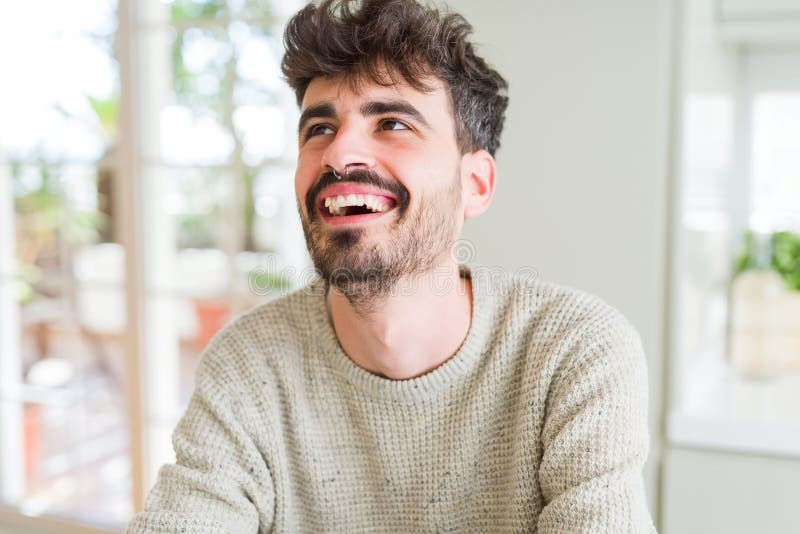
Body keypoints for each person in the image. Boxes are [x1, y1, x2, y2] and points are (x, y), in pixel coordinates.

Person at [127, 0, 657, 532]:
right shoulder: (248, 366)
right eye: (319, 129)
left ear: (475, 184)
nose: (339, 155)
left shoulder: (575, 351)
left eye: (393, 123)